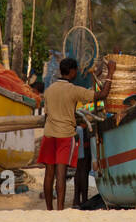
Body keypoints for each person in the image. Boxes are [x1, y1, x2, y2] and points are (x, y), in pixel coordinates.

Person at [38, 57, 110, 210]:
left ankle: (49, 209)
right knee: (61, 174)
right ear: (71, 71)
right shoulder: (73, 90)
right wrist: (111, 73)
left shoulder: (49, 90)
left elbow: (46, 115)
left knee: (49, 173)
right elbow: (102, 94)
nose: (77, 72)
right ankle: (60, 208)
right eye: (76, 70)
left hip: (49, 133)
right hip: (65, 135)